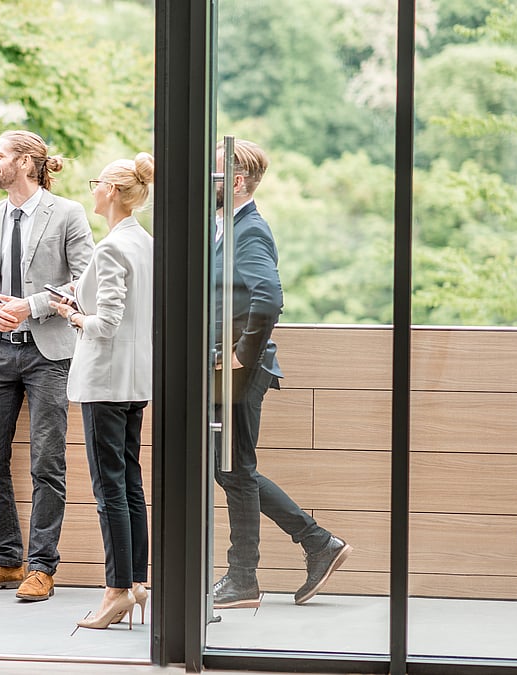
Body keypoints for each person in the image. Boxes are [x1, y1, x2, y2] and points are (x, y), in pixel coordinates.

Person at [211, 139, 352, 609]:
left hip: (240, 372)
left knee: (234, 470)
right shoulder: (225, 227)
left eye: (211, 174)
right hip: (224, 370)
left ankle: (244, 578)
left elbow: (268, 297)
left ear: (234, 181)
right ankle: (317, 543)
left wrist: (241, 355)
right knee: (231, 469)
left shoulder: (249, 230)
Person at [0, 130, 94, 602]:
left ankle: (41, 567)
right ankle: (5, 559)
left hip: (49, 354)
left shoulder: (68, 214)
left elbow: (85, 282)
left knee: (47, 462)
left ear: (25, 162)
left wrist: (31, 305)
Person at [50, 153, 154, 629]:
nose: (91, 190)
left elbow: (106, 324)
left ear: (112, 191)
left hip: (106, 381)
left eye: (96, 183)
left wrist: (72, 315)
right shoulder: (145, 244)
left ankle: (115, 592)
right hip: (135, 381)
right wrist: (79, 297)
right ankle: (136, 583)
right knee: (129, 484)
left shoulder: (111, 248)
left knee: (108, 489)